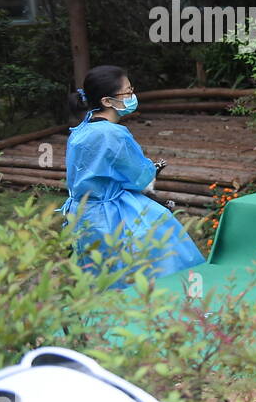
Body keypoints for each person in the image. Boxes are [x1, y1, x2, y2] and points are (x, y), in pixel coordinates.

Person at [58, 67, 205, 287]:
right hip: (112, 214)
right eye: (127, 93)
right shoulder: (114, 134)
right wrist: (150, 168)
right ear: (107, 101)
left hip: (82, 213)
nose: (132, 97)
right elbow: (140, 177)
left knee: (97, 273)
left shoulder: (81, 129)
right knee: (161, 255)